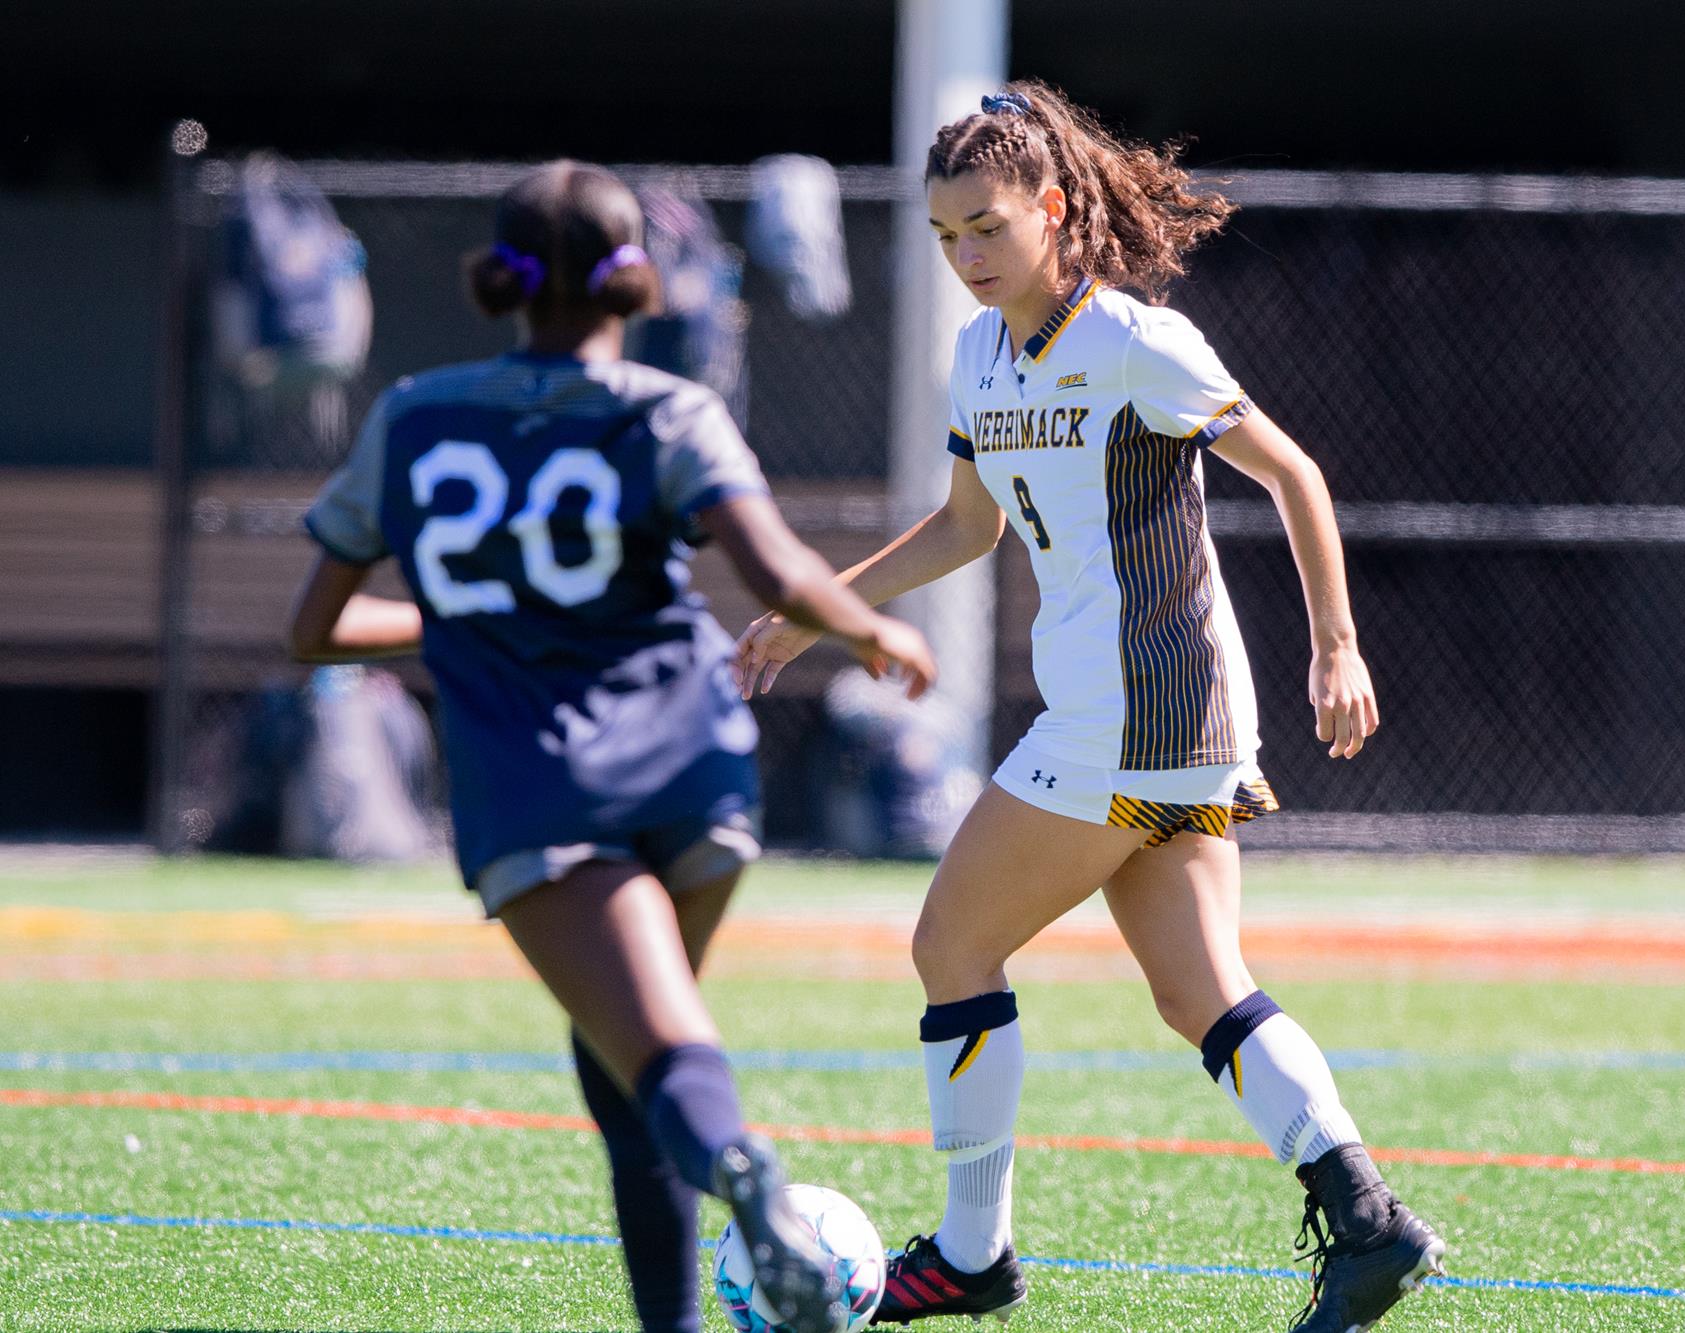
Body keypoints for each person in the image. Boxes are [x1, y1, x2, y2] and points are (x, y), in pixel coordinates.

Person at [737, 83, 1446, 1332]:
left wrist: (1336, 645)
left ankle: (971, 1254)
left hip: (1140, 712)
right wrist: (822, 611)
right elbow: (965, 528)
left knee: (950, 944)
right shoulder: (977, 354)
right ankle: (1369, 1219)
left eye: (988, 228)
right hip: (1141, 718)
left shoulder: (1133, 340)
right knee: (1199, 992)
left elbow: (1294, 472)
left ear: (1055, 210)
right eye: (945, 234)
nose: (965, 257)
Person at [285, 160, 939, 1333]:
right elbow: (779, 572)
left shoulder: (417, 414)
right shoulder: (669, 408)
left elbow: (316, 629)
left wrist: (470, 618)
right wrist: (870, 627)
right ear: (635, 279)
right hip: (695, 755)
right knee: (627, 1055)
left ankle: (744, 1174)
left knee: (657, 1050)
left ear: (501, 279)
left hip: (543, 782)